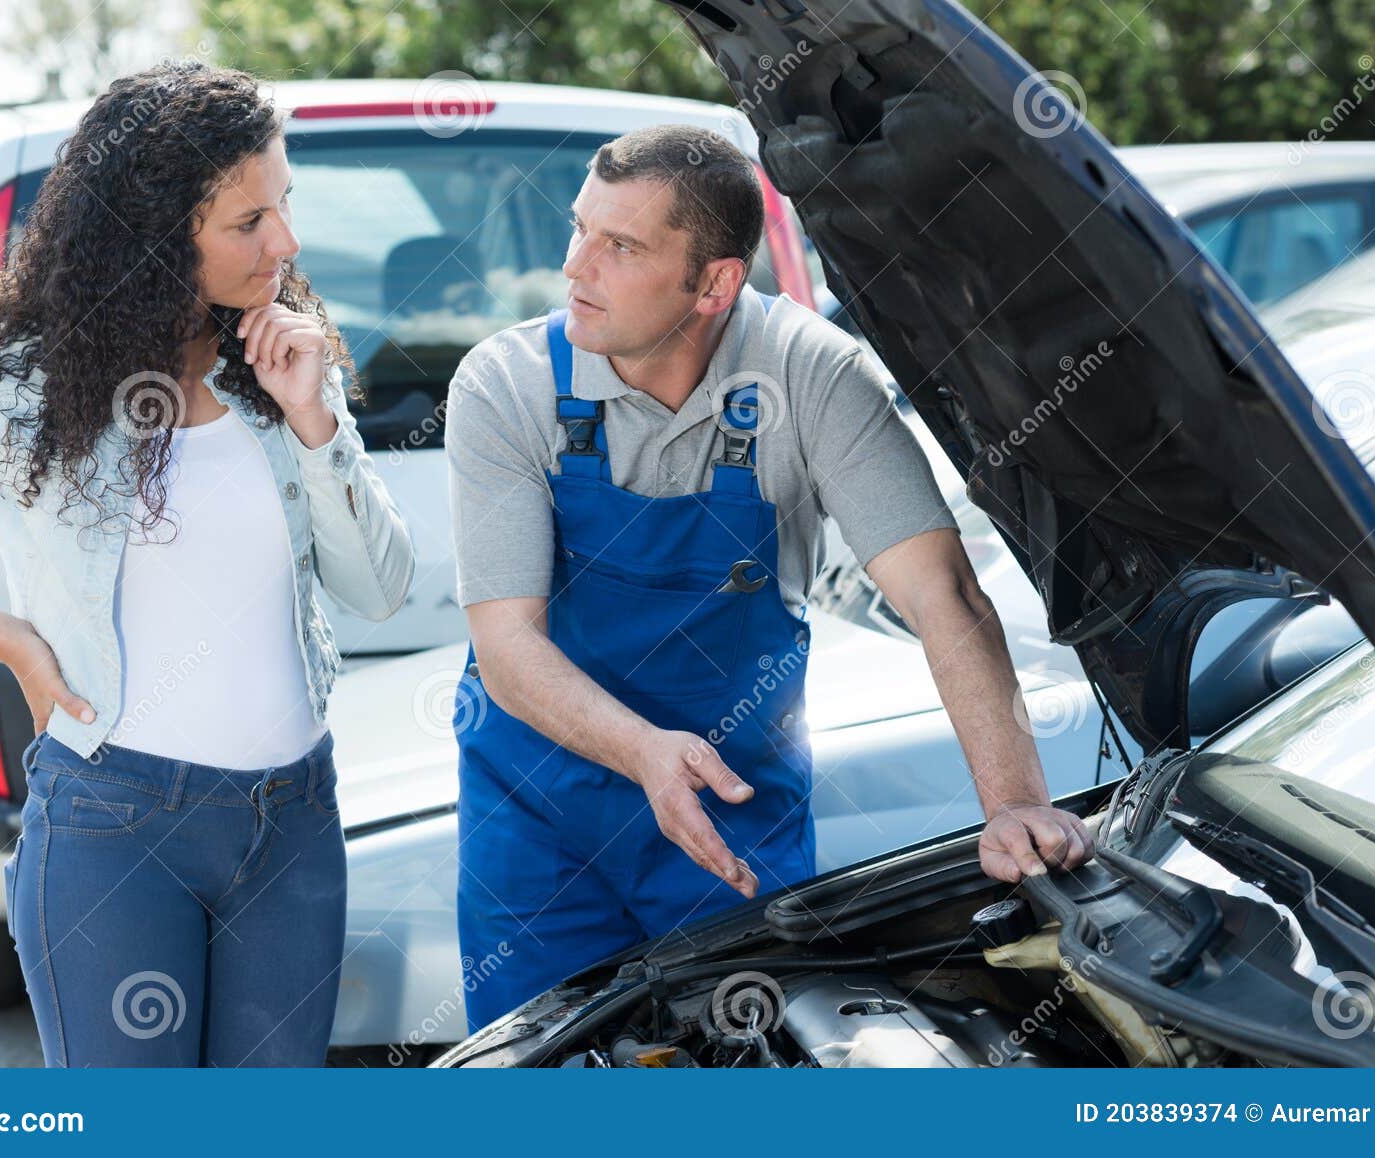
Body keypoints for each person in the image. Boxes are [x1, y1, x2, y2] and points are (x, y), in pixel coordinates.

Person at [0, 61, 415, 1065]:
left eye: (284, 206)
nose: (286, 243)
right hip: (116, 832)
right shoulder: (5, 380)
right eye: (247, 222)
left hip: (292, 824)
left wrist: (315, 422)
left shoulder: (279, 360)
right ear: (156, 231)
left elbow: (381, 590)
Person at [444, 124, 1093, 1031]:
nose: (575, 266)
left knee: (759, 1063)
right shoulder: (505, 386)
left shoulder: (813, 376)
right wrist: (645, 755)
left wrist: (1016, 803)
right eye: (579, 229)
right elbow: (507, 648)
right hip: (539, 828)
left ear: (715, 283)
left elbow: (943, 596)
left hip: (732, 814)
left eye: (620, 245)